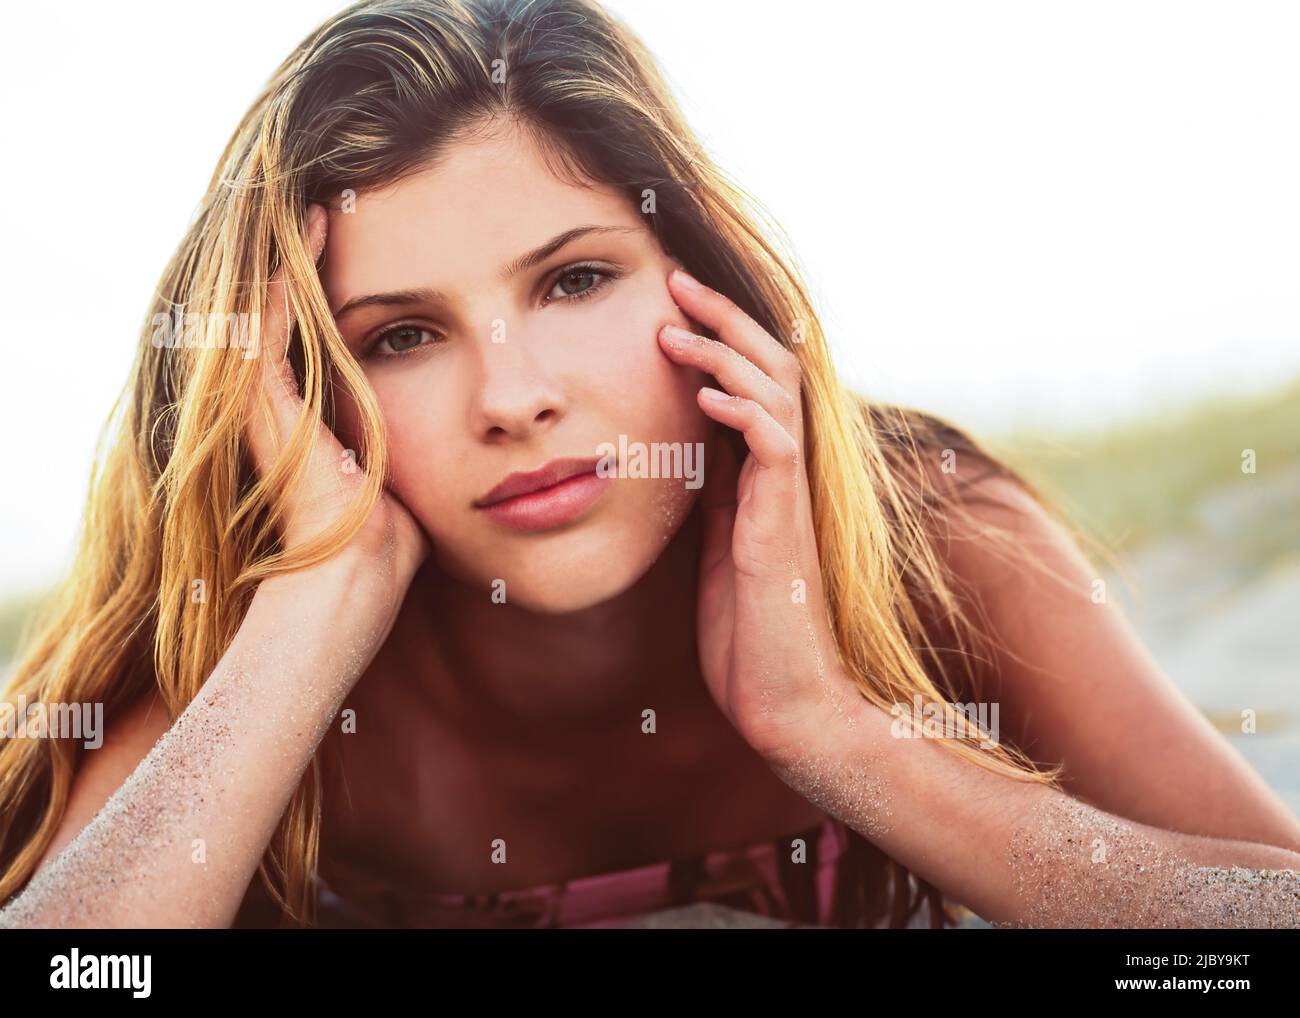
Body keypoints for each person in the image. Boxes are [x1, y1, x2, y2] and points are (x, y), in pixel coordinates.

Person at [2, 0, 1299, 930]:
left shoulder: (932, 542)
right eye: (399, 336)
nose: (514, 398)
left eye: (574, 279)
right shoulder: (243, 647)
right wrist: (306, 620)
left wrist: (841, 736)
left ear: (705, 278)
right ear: (296, 395)